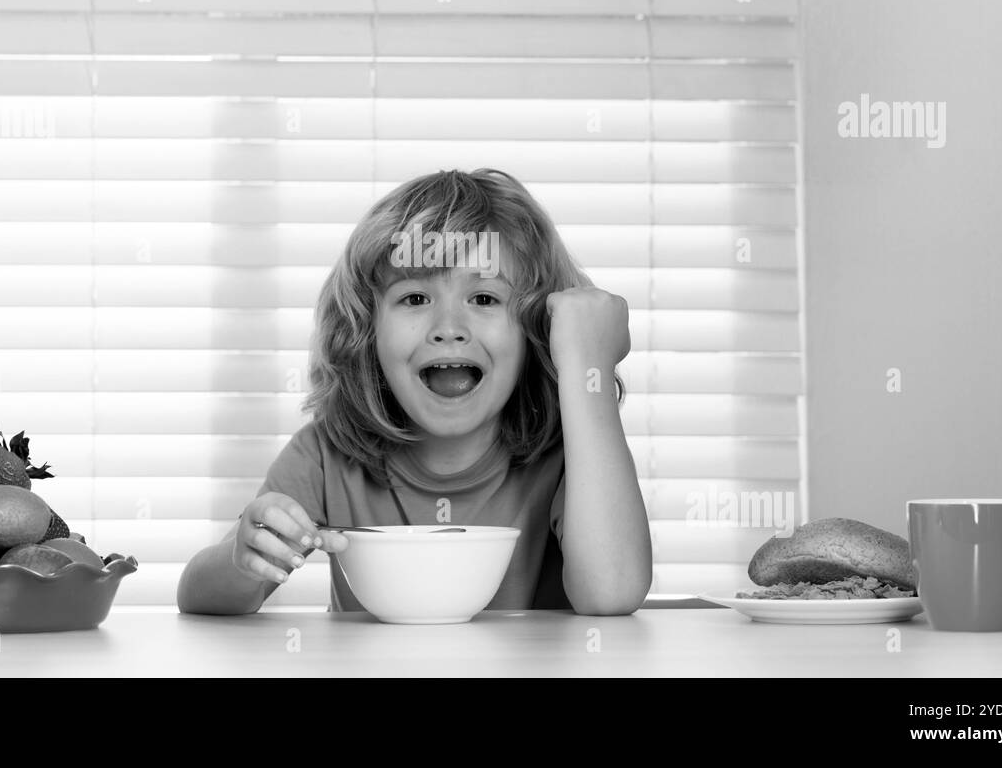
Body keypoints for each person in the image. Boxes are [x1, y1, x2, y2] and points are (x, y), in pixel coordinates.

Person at [177, 168, 652, 616]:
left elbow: (612, 589)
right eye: (415, 298)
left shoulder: (568, 459)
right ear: (366, 330)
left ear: (536, 330)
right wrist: (243, 559)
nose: (449, 328)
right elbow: (199, 597)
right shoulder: (327, 455)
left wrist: (587, 365)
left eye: (484, 298)